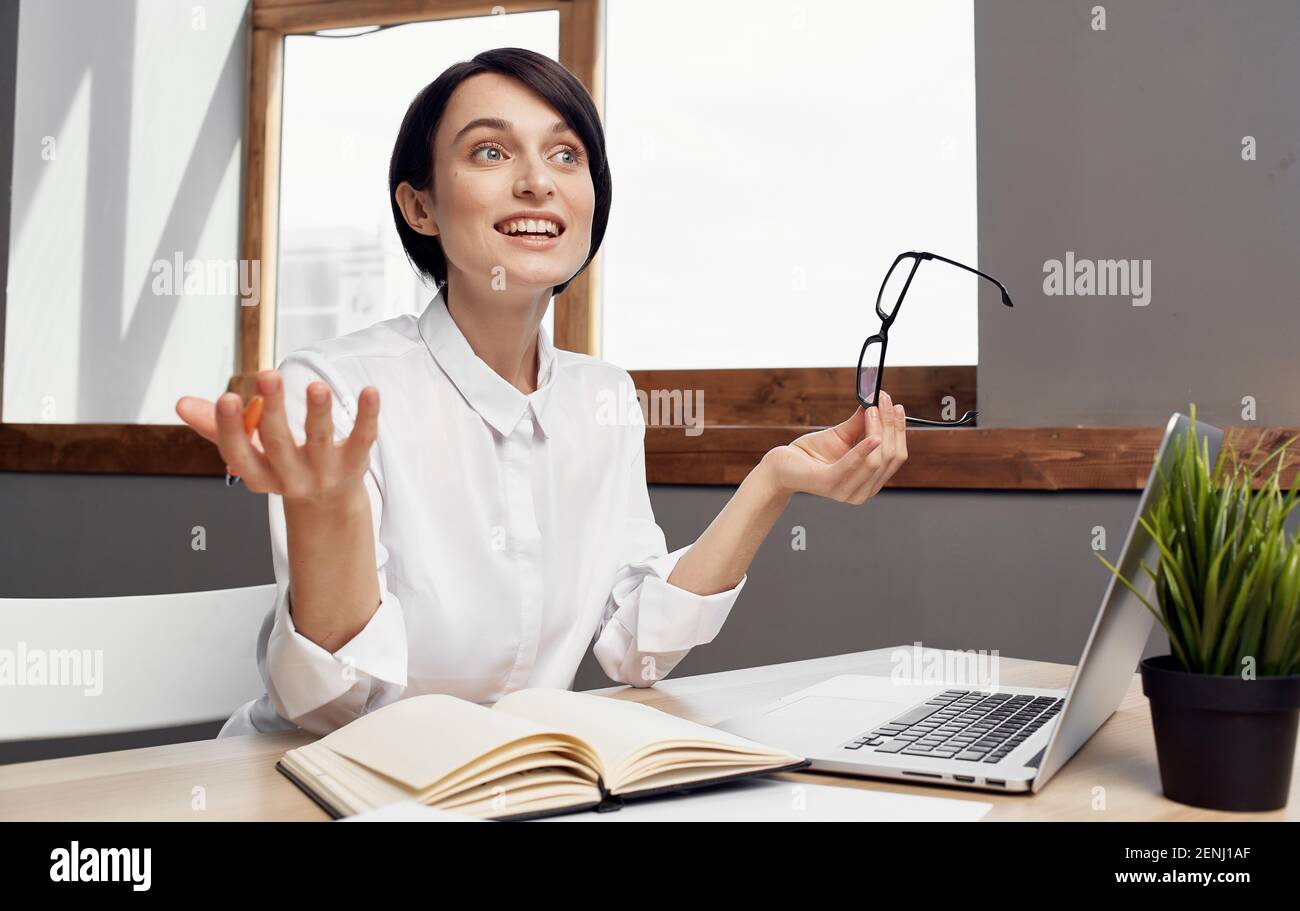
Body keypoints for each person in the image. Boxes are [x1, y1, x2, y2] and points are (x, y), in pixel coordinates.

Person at [176, 47, 908, 737]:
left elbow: (637, 649)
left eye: (566, 154)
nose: (538, 180)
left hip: (506, 785)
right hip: (315, 782)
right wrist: (327, 510)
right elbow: (331, 709)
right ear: (420, 207)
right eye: (490, 152)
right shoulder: (336, 391)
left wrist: (774, 479)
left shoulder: (603, 396)